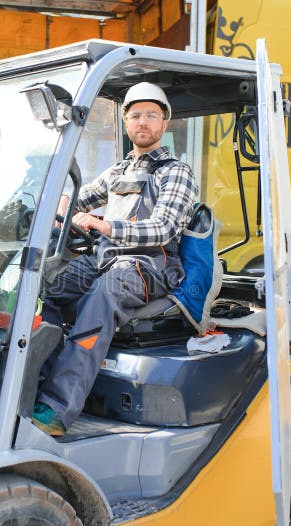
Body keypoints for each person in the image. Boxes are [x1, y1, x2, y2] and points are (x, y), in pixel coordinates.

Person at [33, 82, 199, 437]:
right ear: (126, 122)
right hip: (106, 258)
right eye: (136, 114)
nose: (143, 121)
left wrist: (105, 225)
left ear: (164, 124)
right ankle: (37, 382)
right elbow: (81, 199)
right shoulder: (117, 172)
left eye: (151, 115)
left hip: (149, 265)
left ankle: (58, 408)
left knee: (101, 297)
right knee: (48, 288)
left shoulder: (176, 172)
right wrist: (60, 206)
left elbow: (164, 228)